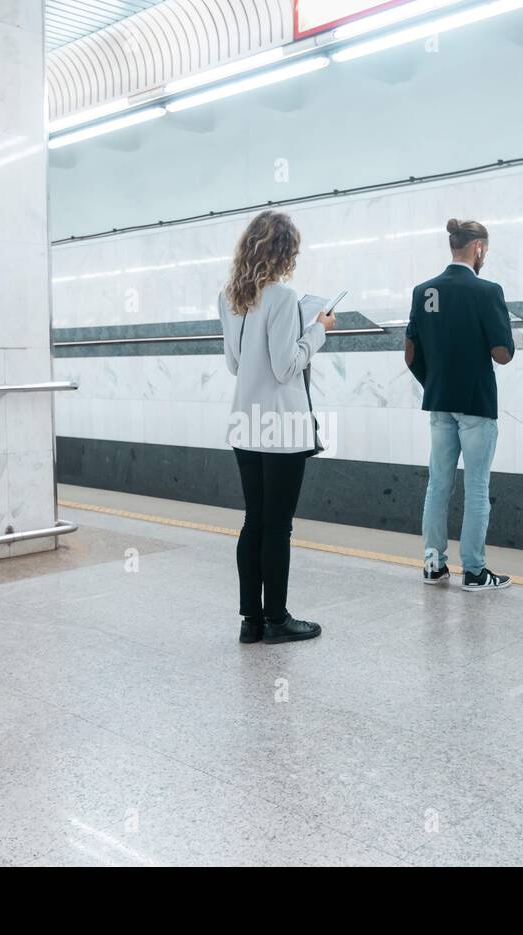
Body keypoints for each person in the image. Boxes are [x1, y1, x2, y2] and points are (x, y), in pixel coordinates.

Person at [218, 211, 336, 644]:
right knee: (278, 526)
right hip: (282, 426)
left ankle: (251, 621)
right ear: (284, 252)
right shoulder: (283, 298)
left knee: (254, 521)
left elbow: (235, 364)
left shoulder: (230, 298)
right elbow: (286, 366)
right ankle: (277, 620)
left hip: (245, 423)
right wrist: (317, 331)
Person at [404, 218, 516, 592]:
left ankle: (433, 564)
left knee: (438, 484)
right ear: (479, 248)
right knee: (476, 487)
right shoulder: (487, 291)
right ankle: (474, 571)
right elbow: (502, 355)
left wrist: (433, 382)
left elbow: (410, 354)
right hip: (476, 403)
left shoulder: (423, 291)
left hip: (439, 403)